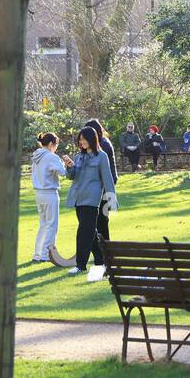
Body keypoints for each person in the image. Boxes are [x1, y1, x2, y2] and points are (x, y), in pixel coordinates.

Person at [65, 126, 117, 278]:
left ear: (92, 139)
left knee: (83, 233)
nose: (81, 142)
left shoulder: (101, 156)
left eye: (84, 139)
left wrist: (111, 202)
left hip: (92, 200)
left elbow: (108, 179)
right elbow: (72, 176)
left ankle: (80, 265)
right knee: (91, 233)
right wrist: (70, 167)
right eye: (79, 140)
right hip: (78, 199)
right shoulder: (79, 156)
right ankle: (103, 260)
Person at [30, 132, 72, 266]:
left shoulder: (36, 155)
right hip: (49, 192)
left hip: (38, 192)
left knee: (43, 224)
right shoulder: (50, 156)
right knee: (52, 224)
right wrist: (66, 163)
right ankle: (46, 254)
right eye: (56, 145)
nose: (56, 148)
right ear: (51, 144)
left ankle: (38, 253)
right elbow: (63, 172)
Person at [85, 118, 119, 264]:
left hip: (106, 185)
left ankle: (105, 252)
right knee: (101, 219)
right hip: (104, 184)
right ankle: (104, 251)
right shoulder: (101, 143)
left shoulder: (103, 144)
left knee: (102, 220)